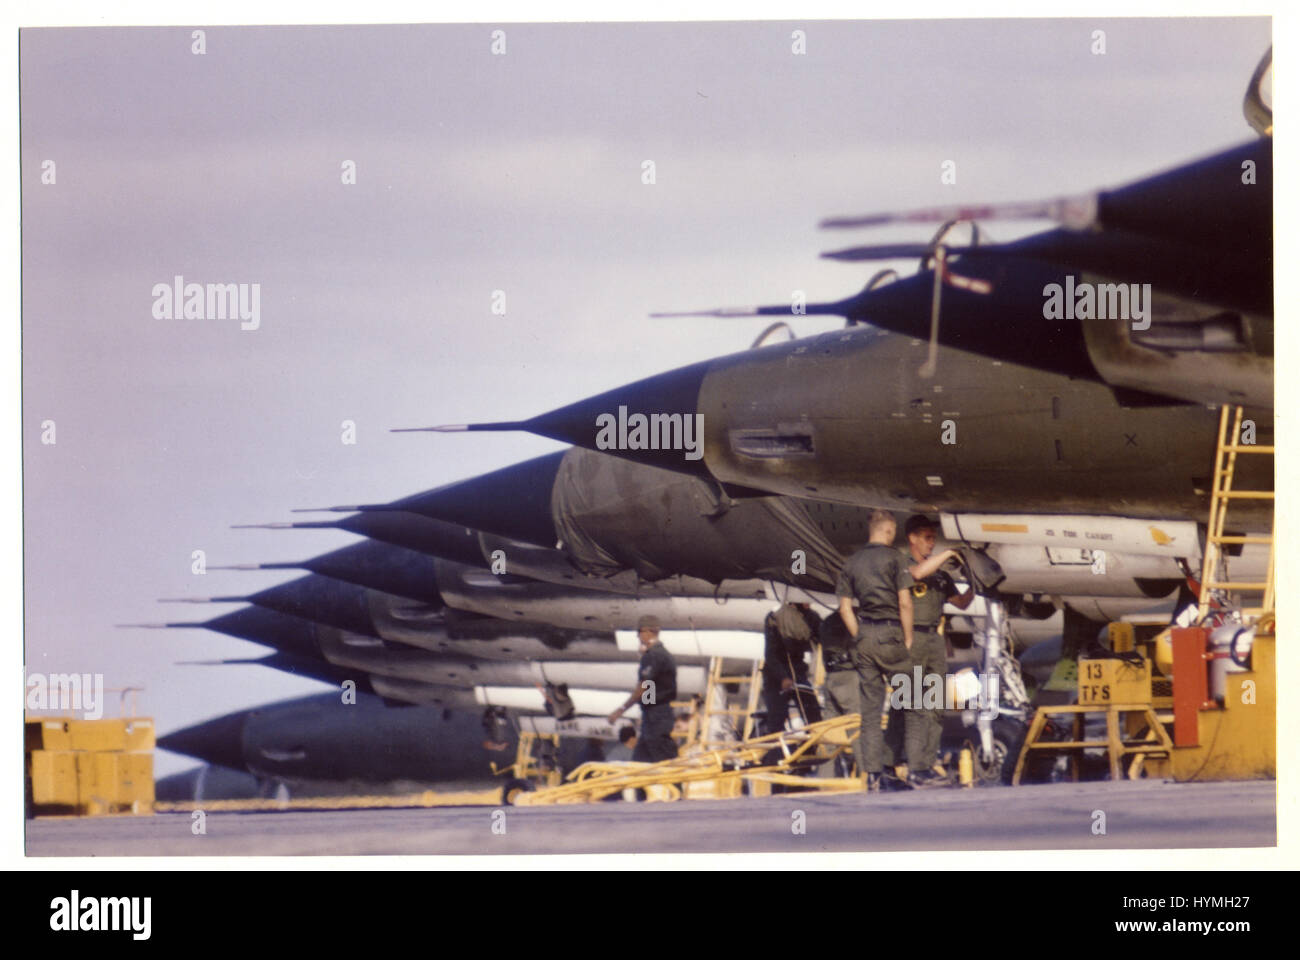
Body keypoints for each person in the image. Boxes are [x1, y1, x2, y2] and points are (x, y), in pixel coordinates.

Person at [836, 510, 916, 792]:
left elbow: (845, 609)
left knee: (870, 711)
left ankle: (872, 775)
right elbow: (905, 603)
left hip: (864, 636)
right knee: (910, 696)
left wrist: (861, 637)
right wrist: (907, 639)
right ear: (889, 530)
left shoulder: (851, 563)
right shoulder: (896, 558)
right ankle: (894, 764)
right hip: (891, 634)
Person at [901, 514, 974, 786]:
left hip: (933, 638)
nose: (931, 544)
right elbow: (918, 574)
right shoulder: (903, 566)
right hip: (912, 637)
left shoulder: (941, 577)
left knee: (934, 707)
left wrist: (976, 580)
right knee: (915, 705)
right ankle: (913, 766)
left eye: (933, 538)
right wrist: (948, 553)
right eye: (927, 538)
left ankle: (925, 765)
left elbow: (963, 603)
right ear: (912, 538)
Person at [608, 614, 678, 762]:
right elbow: (651, 690)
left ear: (647, 632)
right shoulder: (661, 655)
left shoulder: (653, 656)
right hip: (655, 715)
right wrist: (646, 709)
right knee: (640, 761)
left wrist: (621, 709)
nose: (639, 637)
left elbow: (644, 687)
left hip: (657, 717)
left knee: (663, 761)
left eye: (639, 632)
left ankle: (676, 785)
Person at [761, 602, 823, 734]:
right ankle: (775, 751)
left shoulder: (812, 617)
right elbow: (770, 654)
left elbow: (822, 635)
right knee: (777, 718)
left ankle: (810, 750)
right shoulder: (775, 617)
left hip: (798, 670)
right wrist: (783, 677)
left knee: (813, 715)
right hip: (775, 674)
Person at [818, 612, 864, 778]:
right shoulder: (852, 619)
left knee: (830, 729)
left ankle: (824, 778)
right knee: (857, 726)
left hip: (831, 677)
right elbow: (858, 651)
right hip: (849, 676)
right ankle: (867, 776)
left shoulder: (828, 620)